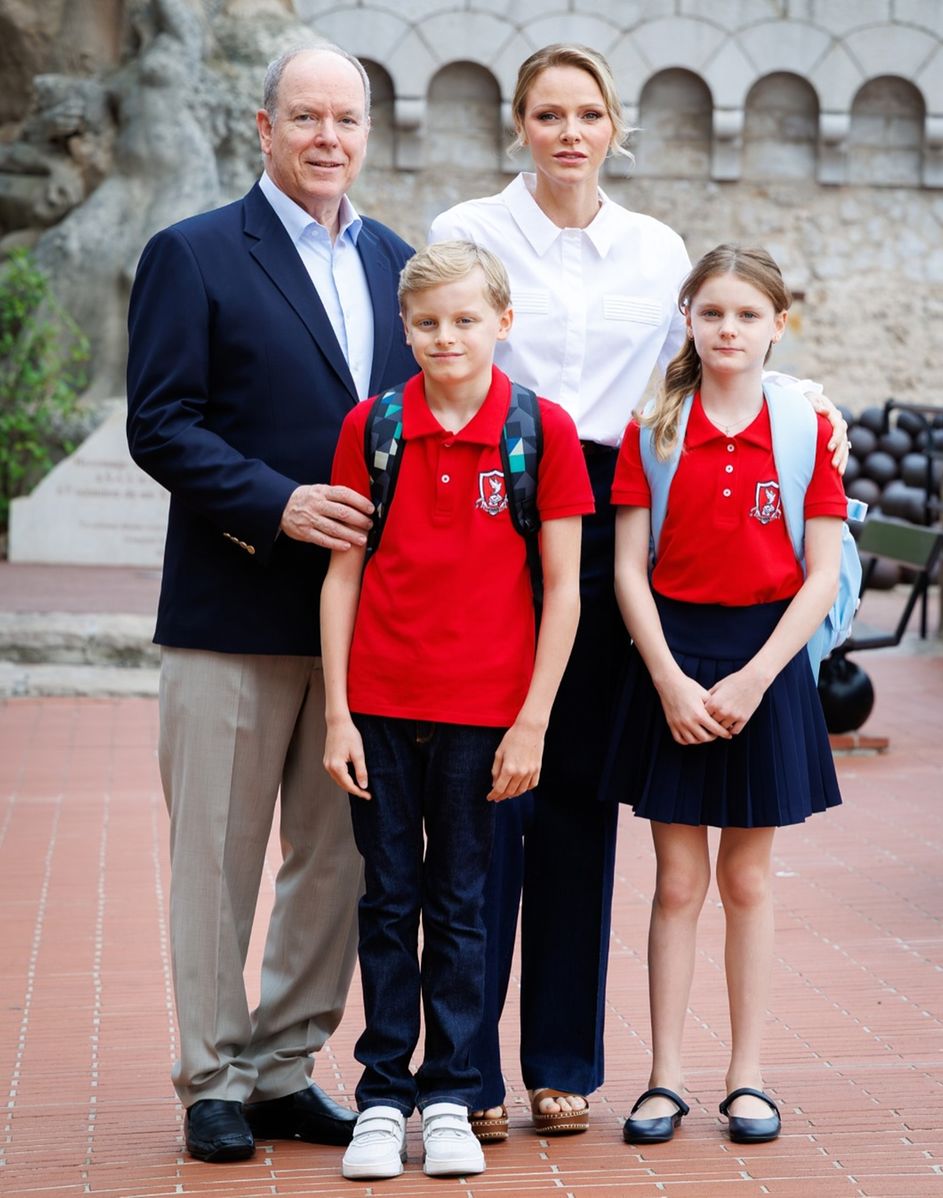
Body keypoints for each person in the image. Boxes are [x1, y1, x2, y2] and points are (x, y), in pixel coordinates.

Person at [428, 42, 849, 1139]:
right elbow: (434, 354)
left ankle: (562, 1064)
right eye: (549, 113)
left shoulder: (654, 247)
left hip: (612, 525)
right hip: (497, 520)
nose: (570, 131)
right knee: (477, 799)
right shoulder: (469, 232)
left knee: (572, 800)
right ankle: (464, 1074)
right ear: (518, 124)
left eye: (589, 113)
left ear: (617, 126)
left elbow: (709, 354)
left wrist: (812, 404)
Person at [126, 44, 415, 1163]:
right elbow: (163, 421)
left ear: (366, 130)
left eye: (346, 118)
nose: (328, 138)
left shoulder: (398, 263)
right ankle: (212, 1074)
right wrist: (277, 504)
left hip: (363, 627)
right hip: (231, 609)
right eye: (307, 117)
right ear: (265, 126)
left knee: (337, 853)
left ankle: (289, 1064)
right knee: (217, 853)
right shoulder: (193, 254)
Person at [319, 240, 593, 1180]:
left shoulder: (539, 431)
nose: (447, 336)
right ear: (405, 329)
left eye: (466, 319)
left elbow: (564, 589)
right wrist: (337, 716)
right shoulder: (373, 426)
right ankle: (383, 1096)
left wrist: (534, 722)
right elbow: (342, 575)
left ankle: (454, 1090)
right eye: (428, 323)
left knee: (466, 905)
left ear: (502, 323)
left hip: (488, 717)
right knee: (388, 900)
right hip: (383, 707)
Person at [606, 244, 846, 1146]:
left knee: (747, 879)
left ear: (778, 326)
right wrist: (668, 677)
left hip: (766, 659)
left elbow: (820, 575)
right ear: (690, 322)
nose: (728, 329)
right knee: (676, 882)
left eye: (748, 315)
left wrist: (757, 677)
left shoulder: (806, 430)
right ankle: (665, 1078)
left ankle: (747, 1079)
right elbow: (632, 568)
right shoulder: (655, 428)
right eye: (712, 314)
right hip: (675, 652)